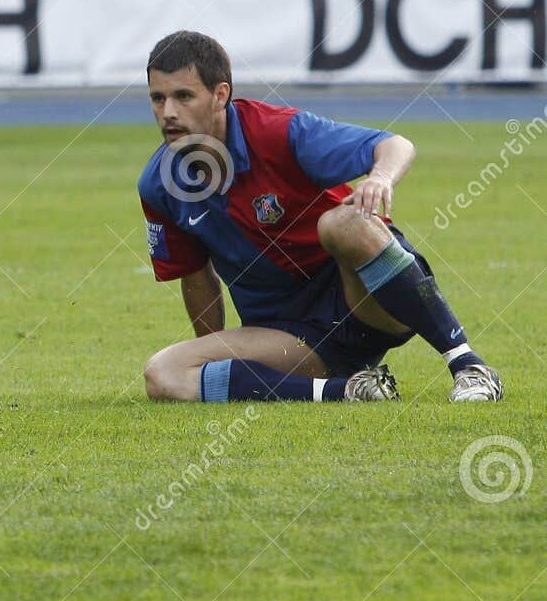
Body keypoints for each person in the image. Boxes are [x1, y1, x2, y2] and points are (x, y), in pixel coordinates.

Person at [138, 30, 502, 403]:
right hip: (291, 337)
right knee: (163, 373)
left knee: (342, 222)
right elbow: (196, 278)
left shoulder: (276, 131)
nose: (168, 113)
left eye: (183, 96)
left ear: (220, 95)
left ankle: (468, 365)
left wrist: (380, 178)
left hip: (369, 300)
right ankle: (352, 390)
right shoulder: (157, 185)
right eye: (158, 98)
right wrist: (209, 357)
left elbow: (396, 145)